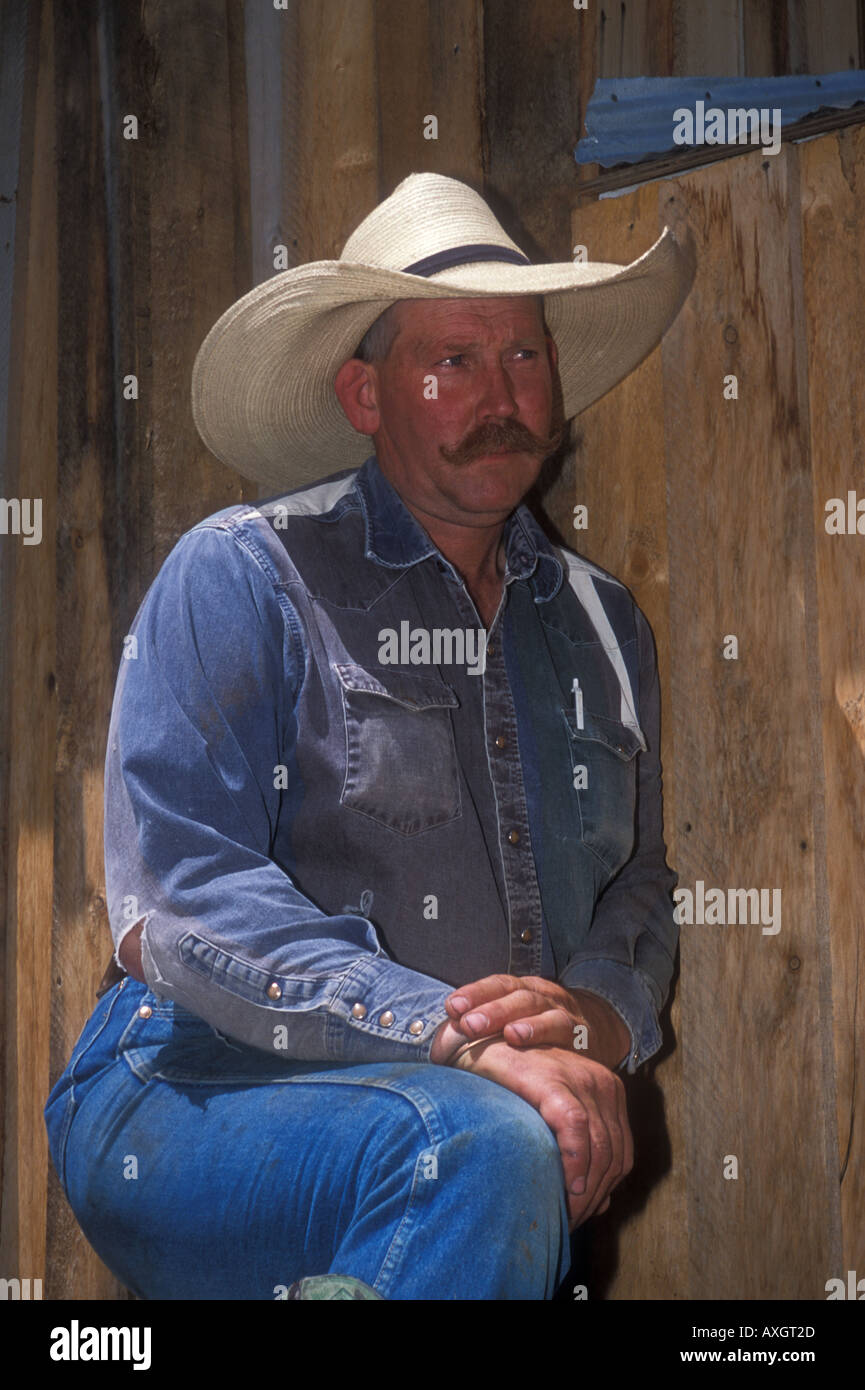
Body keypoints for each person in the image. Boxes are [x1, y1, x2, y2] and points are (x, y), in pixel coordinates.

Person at [45, 173, 694, 1301]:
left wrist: (590, 1017)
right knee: (480, 1150)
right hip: (190, 1081)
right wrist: (461, 1038)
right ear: (363, 392)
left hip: (475, 1112)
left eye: (525, 356)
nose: (503, 394)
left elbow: (635, 878)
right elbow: (182, 898)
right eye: (453, 360)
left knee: (486, 1152)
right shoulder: (246, 573)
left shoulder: (602, 623)